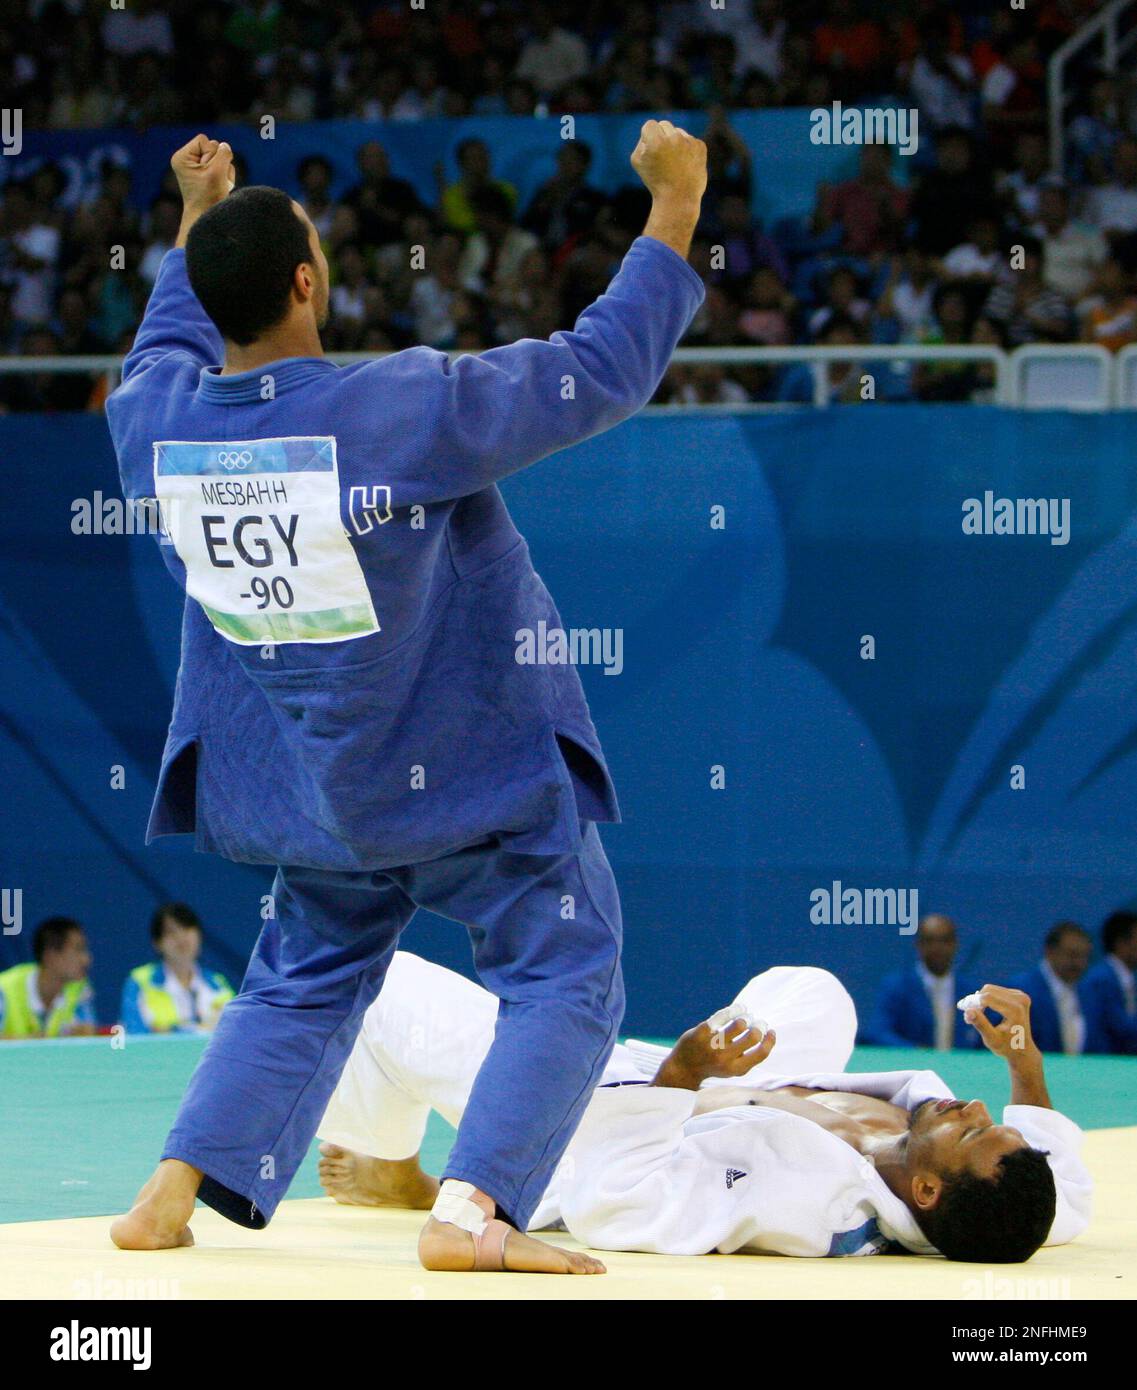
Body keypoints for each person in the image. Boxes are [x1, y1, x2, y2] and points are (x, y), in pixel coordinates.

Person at [103, 121, 706, 1275]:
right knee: (568, 962)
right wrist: (676, 208)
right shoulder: (393, 409)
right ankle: (470, 1213)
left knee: (300, 975)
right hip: (466, 783)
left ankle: (170, 1189)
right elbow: (602, 367)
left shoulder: (156, 429)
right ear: (307, 280)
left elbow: (170, 337)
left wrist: (192, 221)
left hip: (312, 798)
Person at [317, 954, 1091, 1265]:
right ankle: (723, 1052)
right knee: (819, 993)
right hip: (753, 1092)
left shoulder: (802, 1200)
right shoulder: (1014, 1206)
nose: (979, 1107)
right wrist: (1026, 1062)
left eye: (975, 1131)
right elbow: (1062, 1177)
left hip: (582, 1120)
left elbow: (611, 1204)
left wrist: (684, 1073)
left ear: (925, 1192)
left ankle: (397, 1167)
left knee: (389, 989)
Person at [862, 914, 981, 1049]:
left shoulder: (970, 991)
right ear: (918, 945)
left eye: (945, 940)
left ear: (955, 944)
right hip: (913, 1066)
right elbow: (878, 1032)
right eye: (930, 941)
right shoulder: (897, 987)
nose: (938, 948)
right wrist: (916, 1052)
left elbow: (986, 1037)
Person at [120, 902, 234, 1035]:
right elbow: (134, 1036)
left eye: (187, 928)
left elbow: (236, 1032)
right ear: (157, 943)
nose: (181, 938)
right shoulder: (139, 982)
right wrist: (199, 1030)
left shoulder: (218, 983)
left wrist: (168, 1030)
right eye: (171, 932)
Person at [1009, 922, 1101, 1055]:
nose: (1079, 963)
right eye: (1072, 955)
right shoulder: (1019, 991)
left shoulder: (1090, 994)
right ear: (1049, 951)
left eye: (1085, 957)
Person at [0, 917, 96, 1039]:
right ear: (50, 955)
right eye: (78, 950)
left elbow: (88, 1037)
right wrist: (26, 1043)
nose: (86, 960)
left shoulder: (81, 988)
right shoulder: (3, 988)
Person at [1082, 910, 1137, 1054]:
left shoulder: (1129, 980)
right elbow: (1119, 1028)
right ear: (1121, 943)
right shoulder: (1100, 980)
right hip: (1104, 1065)